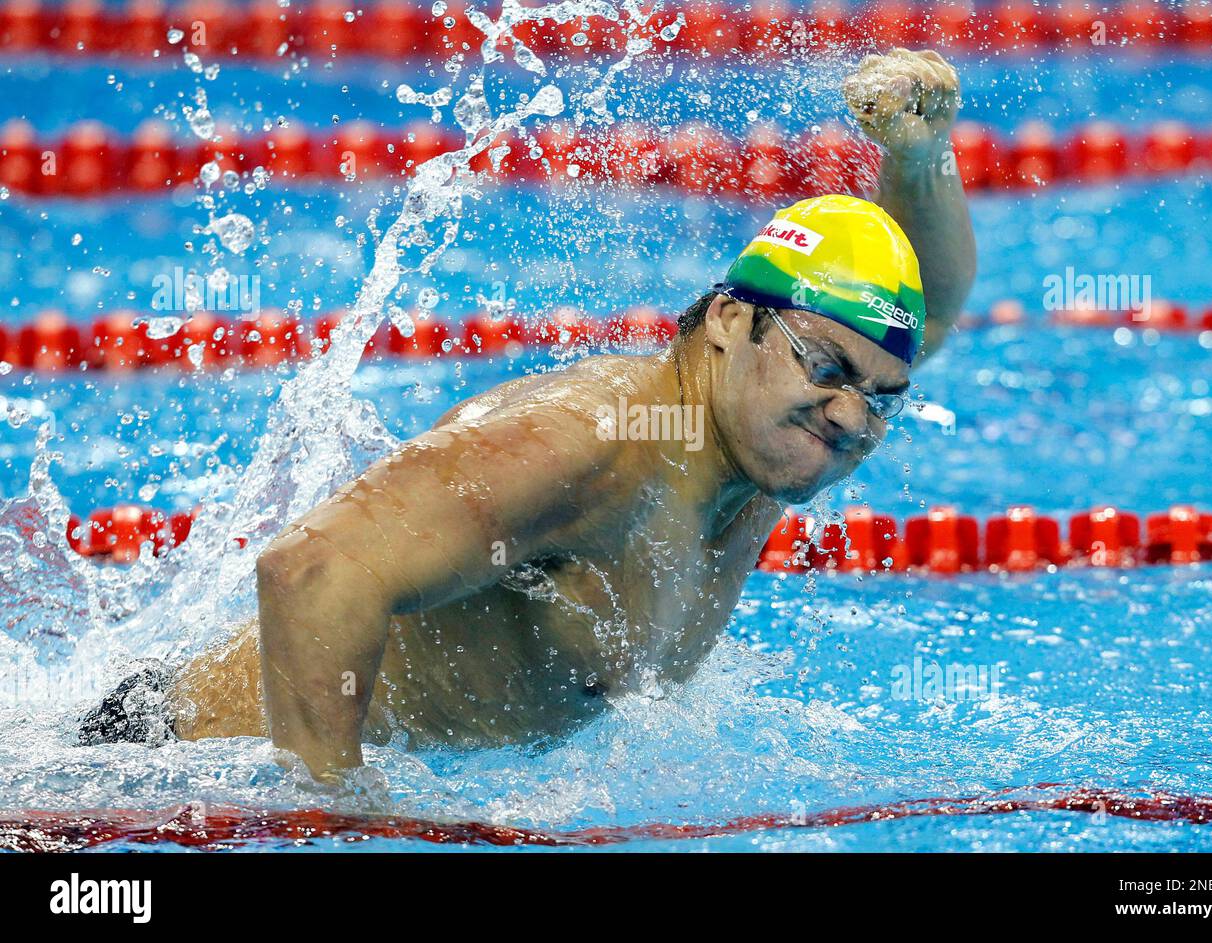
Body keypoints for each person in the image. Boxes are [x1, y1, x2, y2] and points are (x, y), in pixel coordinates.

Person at [80, 48, 976, 782]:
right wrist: (336, 820)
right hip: (162, 781)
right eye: (827, 368)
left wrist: (920, 160)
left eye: (878, 398)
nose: (851, 416)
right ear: (732, 323)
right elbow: (312, 568)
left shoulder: (770, 429)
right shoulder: (596, 444)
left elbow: (919, 319)